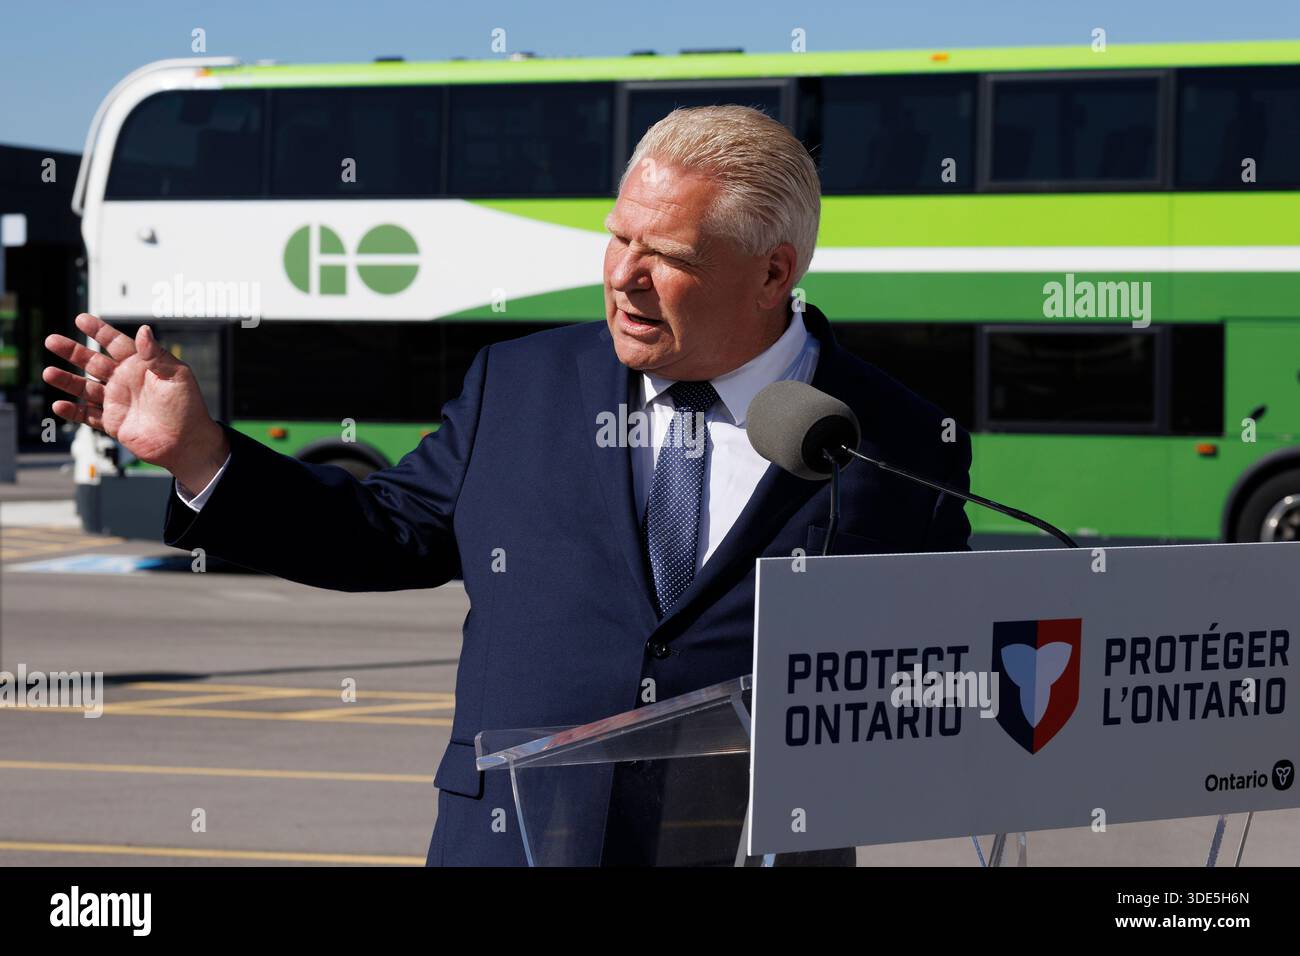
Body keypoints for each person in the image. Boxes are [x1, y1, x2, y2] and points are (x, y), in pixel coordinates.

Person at [44, 105, 971, 866]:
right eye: (617, 238)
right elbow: (381, 531)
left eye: (670, 257)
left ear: (775, 271)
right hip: (513, 845)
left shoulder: (898, 439)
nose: (624, 278)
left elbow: (924, 683)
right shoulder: (518, 385)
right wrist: (202, 452)